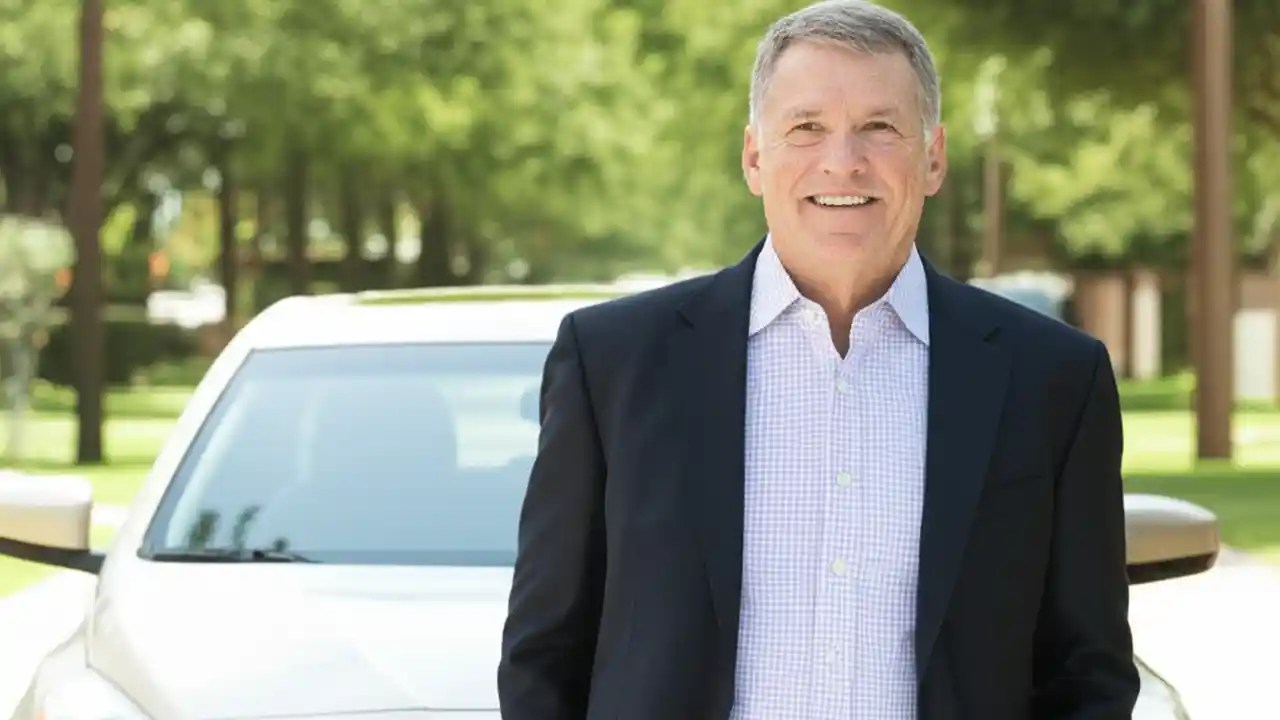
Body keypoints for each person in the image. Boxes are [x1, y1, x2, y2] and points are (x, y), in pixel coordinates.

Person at [497, 1, 1139, 718]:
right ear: (753, 157)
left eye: (880, 127)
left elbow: (1091, 673)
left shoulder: (1052, 380)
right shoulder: (612, 364)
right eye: (806, 128)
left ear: (932, 158)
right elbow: (543, 657)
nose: (843, 161)